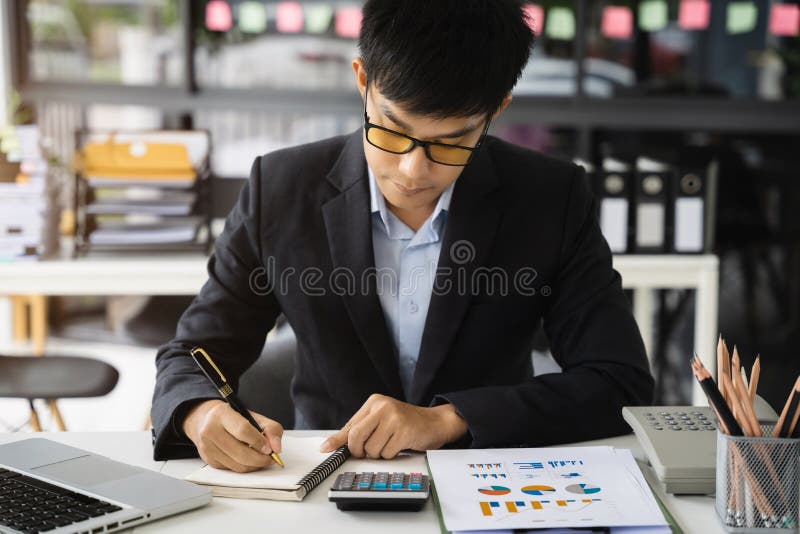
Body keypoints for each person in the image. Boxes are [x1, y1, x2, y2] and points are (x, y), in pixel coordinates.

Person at [151, 0, 654, 470]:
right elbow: (193, 353)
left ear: (496, 109)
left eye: (451, 143)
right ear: (362, 79)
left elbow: (618, 381)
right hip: (324, 483)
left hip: (486, 476)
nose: (414, 170)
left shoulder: (550, 197)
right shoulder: (280, 189)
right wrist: (199, 413)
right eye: (392, 131)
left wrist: (448, 419)